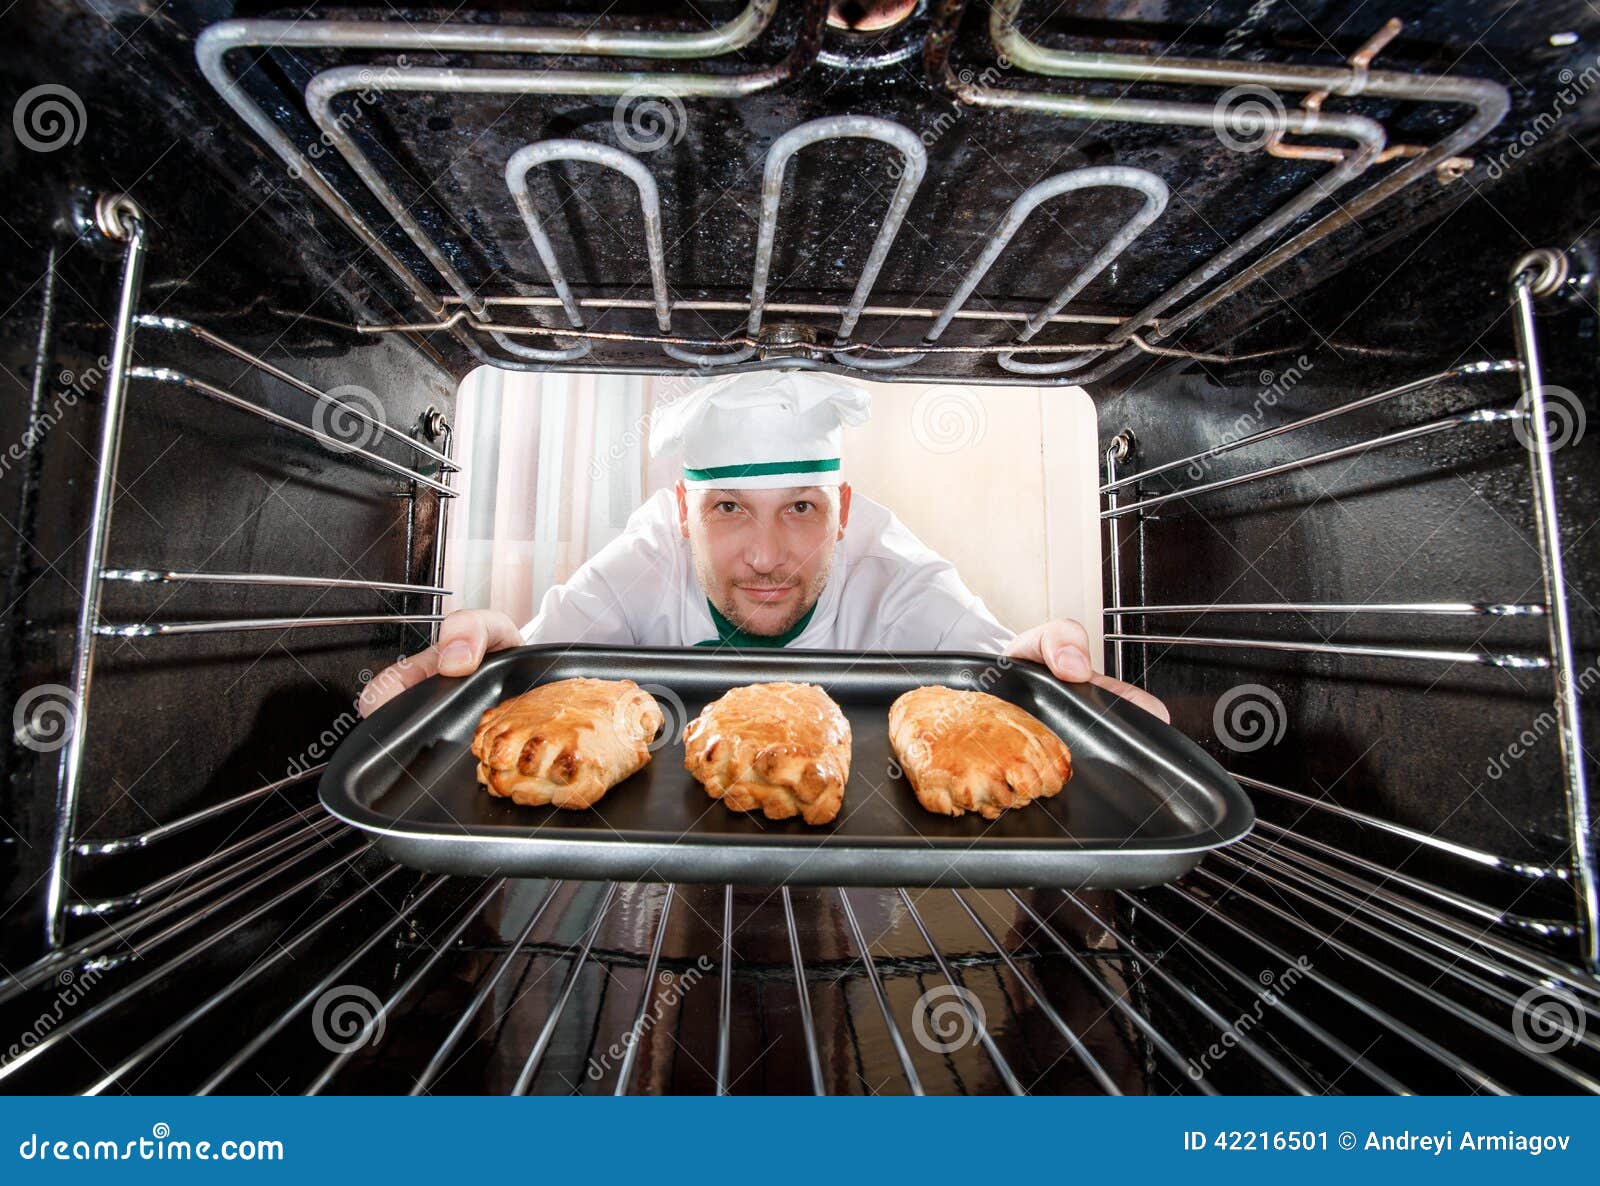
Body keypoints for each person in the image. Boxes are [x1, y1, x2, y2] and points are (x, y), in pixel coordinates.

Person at [359, 372, 1166, 721]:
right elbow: (539, 662)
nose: (768, 555)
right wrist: (485, 664)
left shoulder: (895, 573)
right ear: (682, 508)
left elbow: (994, 672)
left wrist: (1050, 684)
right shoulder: (648, 556)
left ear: (844, 508)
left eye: (803, 508)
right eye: (730, 508)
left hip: (856, 893)